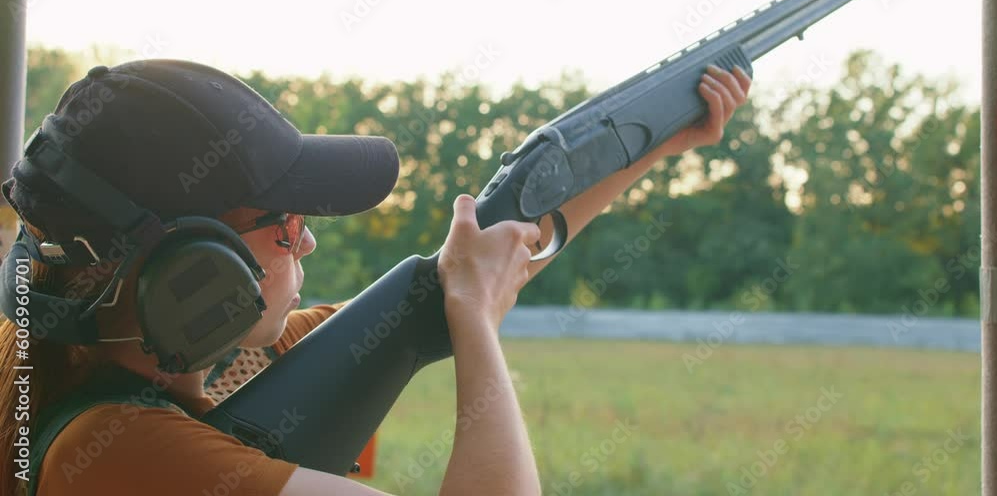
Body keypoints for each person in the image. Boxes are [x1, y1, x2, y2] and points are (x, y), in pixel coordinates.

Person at [0, 58, 750, 496]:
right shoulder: (119, 453)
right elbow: (459, 297)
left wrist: (652, 145)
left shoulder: (146, 371)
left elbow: (473, 260)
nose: (309, 241)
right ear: (192, 273)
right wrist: (477, 329)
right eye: (284, 225)